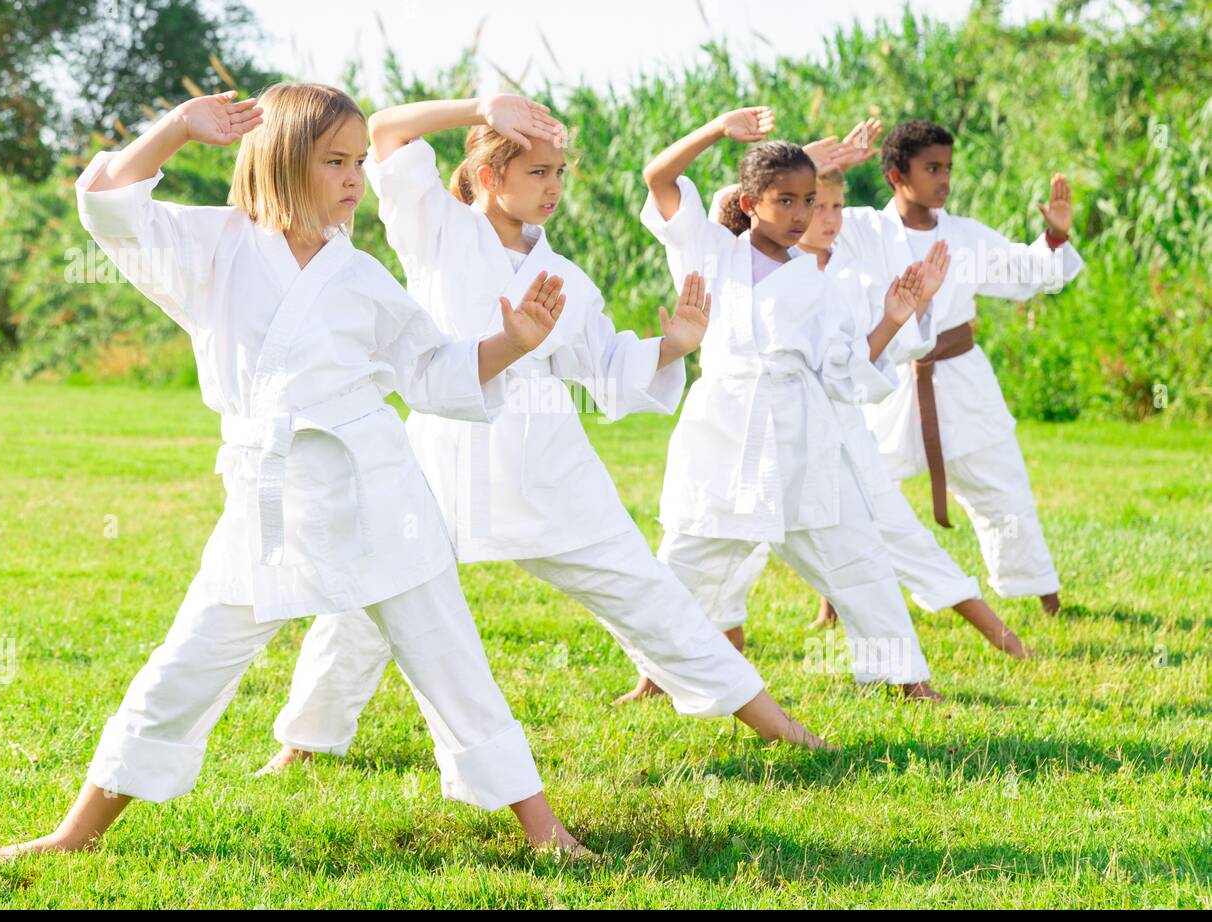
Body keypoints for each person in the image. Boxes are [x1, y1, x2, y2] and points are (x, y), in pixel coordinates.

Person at [0, 83, 593, 860]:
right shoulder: (213, 248)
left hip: (377, 491)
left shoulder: (362, 275)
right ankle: (75, 834)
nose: (353, 179)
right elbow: (108, 204)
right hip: (268, 495)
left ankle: (547, 831)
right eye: (334, 161)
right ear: (279, 161)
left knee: (451, 659)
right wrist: (174, 128)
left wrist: (513, 343)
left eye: (360, 163)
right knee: (186, 663)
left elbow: (435, 370)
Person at [260, 94, 832, 777]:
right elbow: (385, 131)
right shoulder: (436, 229)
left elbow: (607, 367)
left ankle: (771, 720)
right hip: (442, 450)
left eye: (560, 173)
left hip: (545, 458)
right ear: (488, 176)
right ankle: (306, 739)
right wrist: (480, 107)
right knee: (368, 596)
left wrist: (674, 342)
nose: (554, 188)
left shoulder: (568, 278)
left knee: (643, 588)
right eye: (537, 173)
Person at [633, 106, 943, 703]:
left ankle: (906, 677)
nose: (802, 215)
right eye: (786, 201)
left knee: (856, 558)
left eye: (810, 201)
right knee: (687, 558)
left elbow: (846, 370)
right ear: (749, 205)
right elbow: (658, 178)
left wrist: (892, 319)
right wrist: (717, 129)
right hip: (724, 432)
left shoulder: (816, 285)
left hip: (800, 438)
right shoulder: (710, 253)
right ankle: (654, 675)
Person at [834, 119, 1082, 615]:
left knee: (1003, 486)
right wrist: (833, 162)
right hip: (890, 381)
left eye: (947, 167)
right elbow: (803, 216)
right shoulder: (860, 229)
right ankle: (835, 599)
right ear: (895, 176)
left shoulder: (965, 237)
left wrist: (1054, 237)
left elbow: (1028, 273)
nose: (944, 179)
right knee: (858, 486)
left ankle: (1045, 593)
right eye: (931, 169)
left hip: (961, 375)